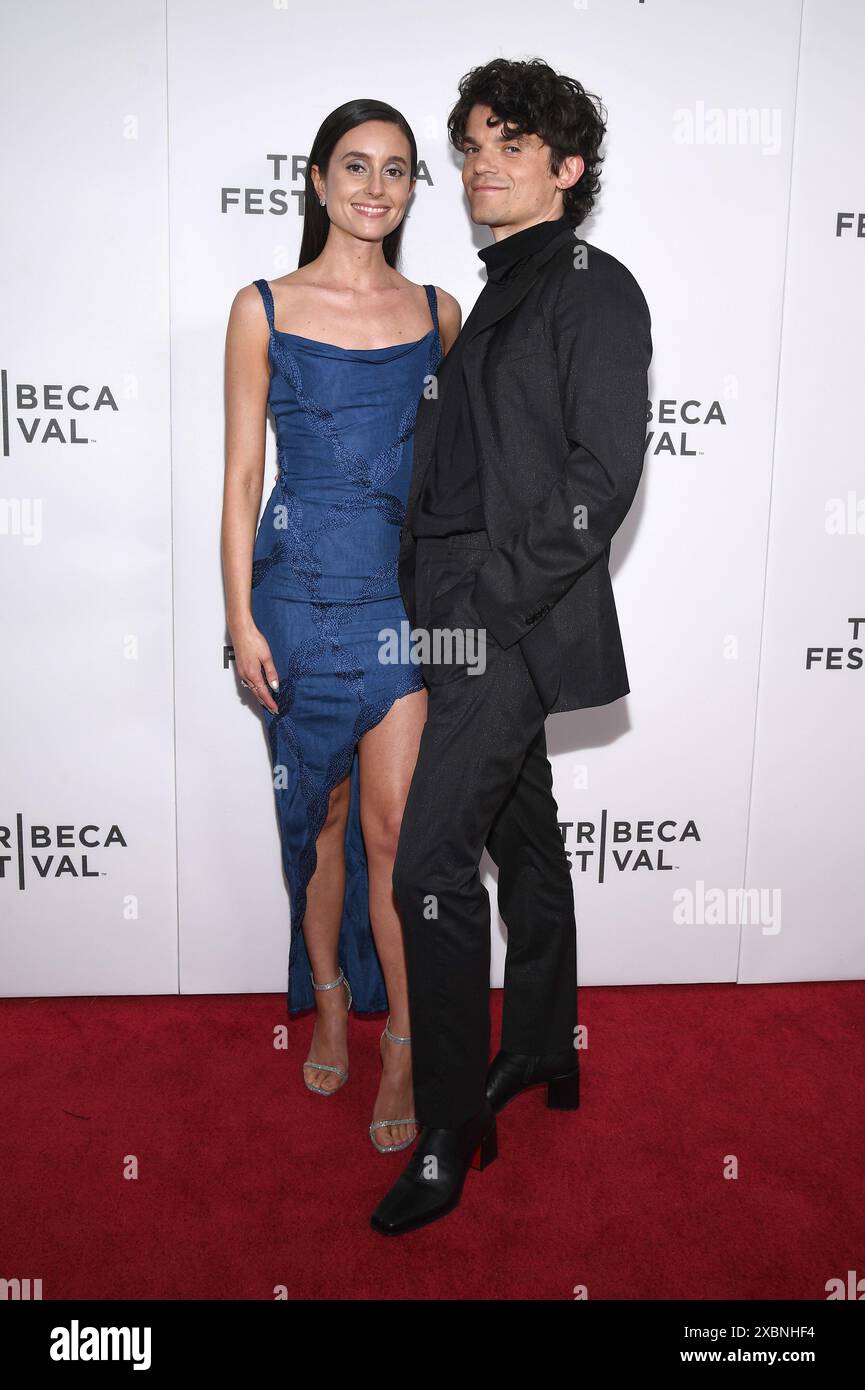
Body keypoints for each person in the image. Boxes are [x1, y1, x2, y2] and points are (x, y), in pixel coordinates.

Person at [371, 58, 653, 1234]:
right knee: (522, 833)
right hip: (455, 607)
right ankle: (540, 1048)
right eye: (473, 144)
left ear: (566, 169)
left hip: (503, 616)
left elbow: (601, 476)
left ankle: (447, 1122)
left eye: (512, 144)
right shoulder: (496, 285)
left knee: (429, 866)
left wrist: (489, 599)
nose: (483, 162)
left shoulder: (591, 286)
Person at [221, 100, 460, 1153]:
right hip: (291, 602)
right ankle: (325, 995)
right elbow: (239, 480)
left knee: (394, 836)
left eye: (397, 170)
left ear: (413, 189)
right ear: (316, 181)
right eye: (354, 166)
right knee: (315, 825)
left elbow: (457, 480)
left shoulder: (440, 313)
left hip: (395, 612)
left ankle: (402, 1039)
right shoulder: (261, 306)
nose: (375, 186)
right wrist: (238, 617)